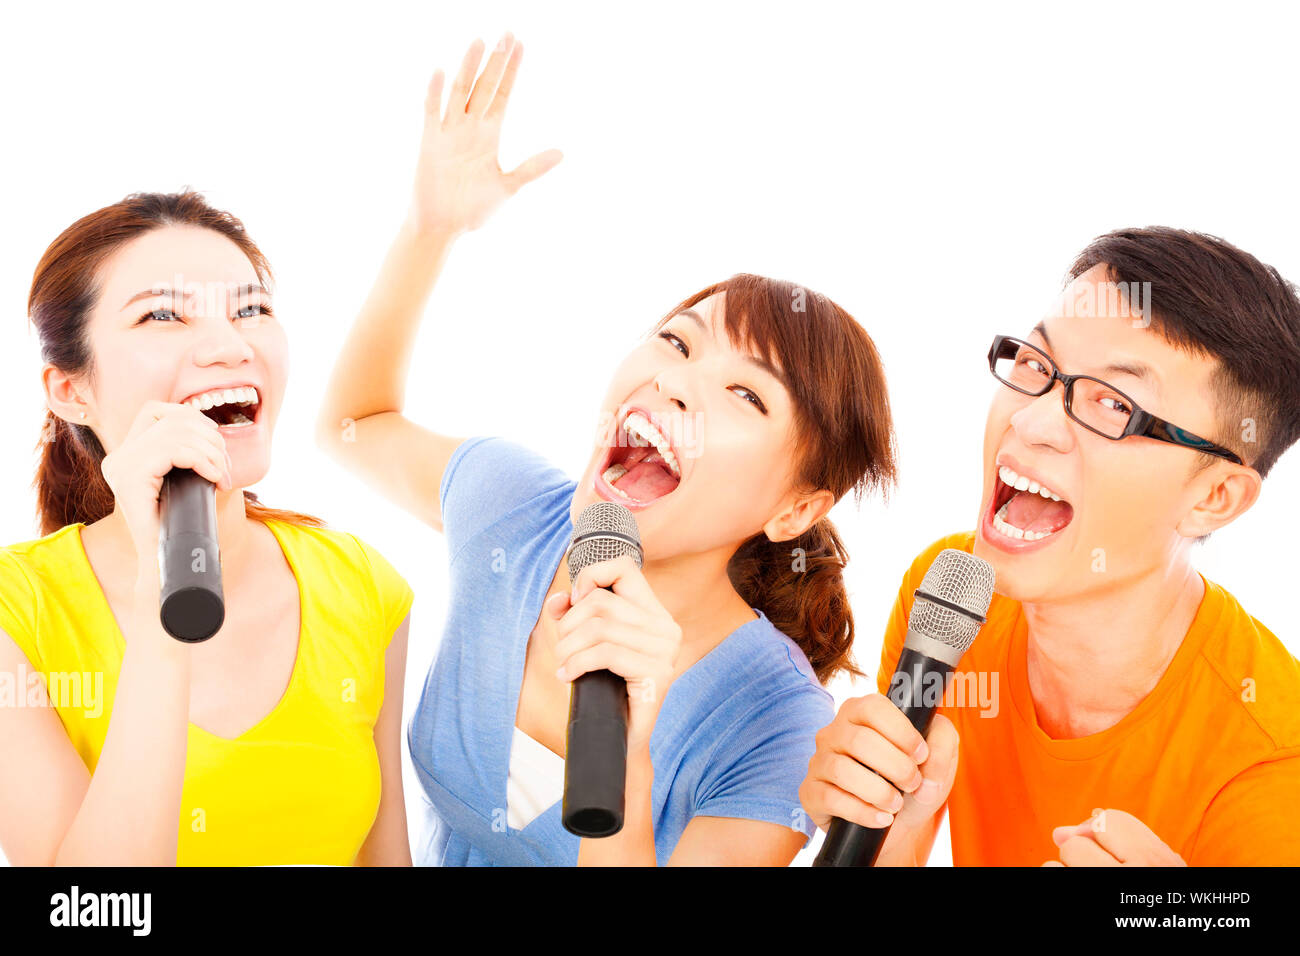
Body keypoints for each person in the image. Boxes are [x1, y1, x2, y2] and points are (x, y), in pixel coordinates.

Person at [316, 33, 898, 865]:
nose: (677, 383)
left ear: (794, 509)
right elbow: (351, 426)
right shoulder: (511, 507)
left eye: (745, 394)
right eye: (678, 342)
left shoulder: (777, 725)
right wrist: (430, 229)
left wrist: (625, 735)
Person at [799, 226, 1300, 865]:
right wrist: (884, 822)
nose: (1030, 422)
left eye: (1115, 406)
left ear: (1215, 497)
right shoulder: (952, 600)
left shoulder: (1273, 764)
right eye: (1037, 366)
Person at [0, 190, 414, 865]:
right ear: (72, 390)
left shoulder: (364, 585)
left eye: (251, 309)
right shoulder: (16, 610)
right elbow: (92, 911)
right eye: (162, 314)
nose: (230, 345)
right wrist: (167, 591)